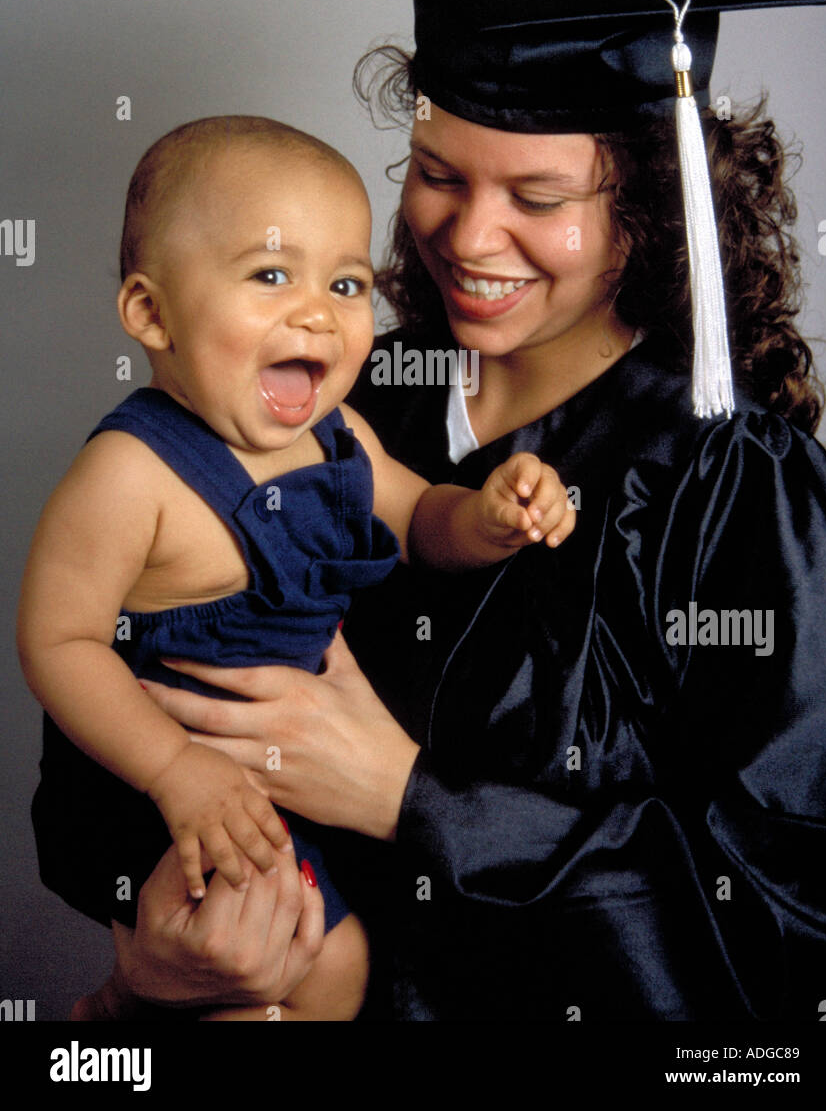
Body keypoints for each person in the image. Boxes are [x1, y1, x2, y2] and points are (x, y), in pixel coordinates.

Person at [77, 0, 826, 1021]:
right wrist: (148, 964)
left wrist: (409, 797)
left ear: (647, 213)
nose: (468, 234)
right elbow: (122, 701)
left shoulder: (735, 494)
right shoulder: (333, 407)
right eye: (438, 174)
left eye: (537, 198)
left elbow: (792, 924)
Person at [17, 113, 573, 1021]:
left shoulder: (339, 435)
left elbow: (418, 521)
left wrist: (487, 517)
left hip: (275, 780)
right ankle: (115, 1015)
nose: (317, 311)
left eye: (346, 284)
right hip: (154, 779)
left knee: (337, 966)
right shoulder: (130, 474)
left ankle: (131, 1013)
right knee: (247, 963)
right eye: (272, 275)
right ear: (151, 313)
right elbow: (58, 641)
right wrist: (174, 770)